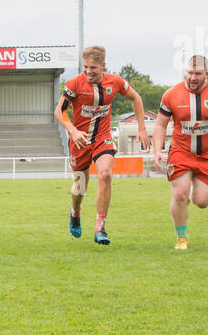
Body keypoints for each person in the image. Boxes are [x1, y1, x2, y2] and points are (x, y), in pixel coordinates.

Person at [54, 45, 150, 244]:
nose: (89, 72)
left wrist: (141, 128)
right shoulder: (74, 84)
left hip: (102, 137)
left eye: (93, 68)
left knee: (105, 175)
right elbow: (59, 112)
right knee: (80, 187)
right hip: (79, 140)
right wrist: (73, 130)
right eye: (86, 68)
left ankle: (100, 228)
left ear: (103, 66)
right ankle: (75, 211)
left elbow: (136, 97)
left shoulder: (114, 82)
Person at [152, 56, 208, 250]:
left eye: (198, 73)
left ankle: (190, 193)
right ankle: (181, 238)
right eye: (190, 73)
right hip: (181, 151)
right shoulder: (171, 95)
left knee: (201, 202)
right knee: (180, 194)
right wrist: (157, 150)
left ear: (206, 74)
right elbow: (160, 124)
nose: (192, 77)